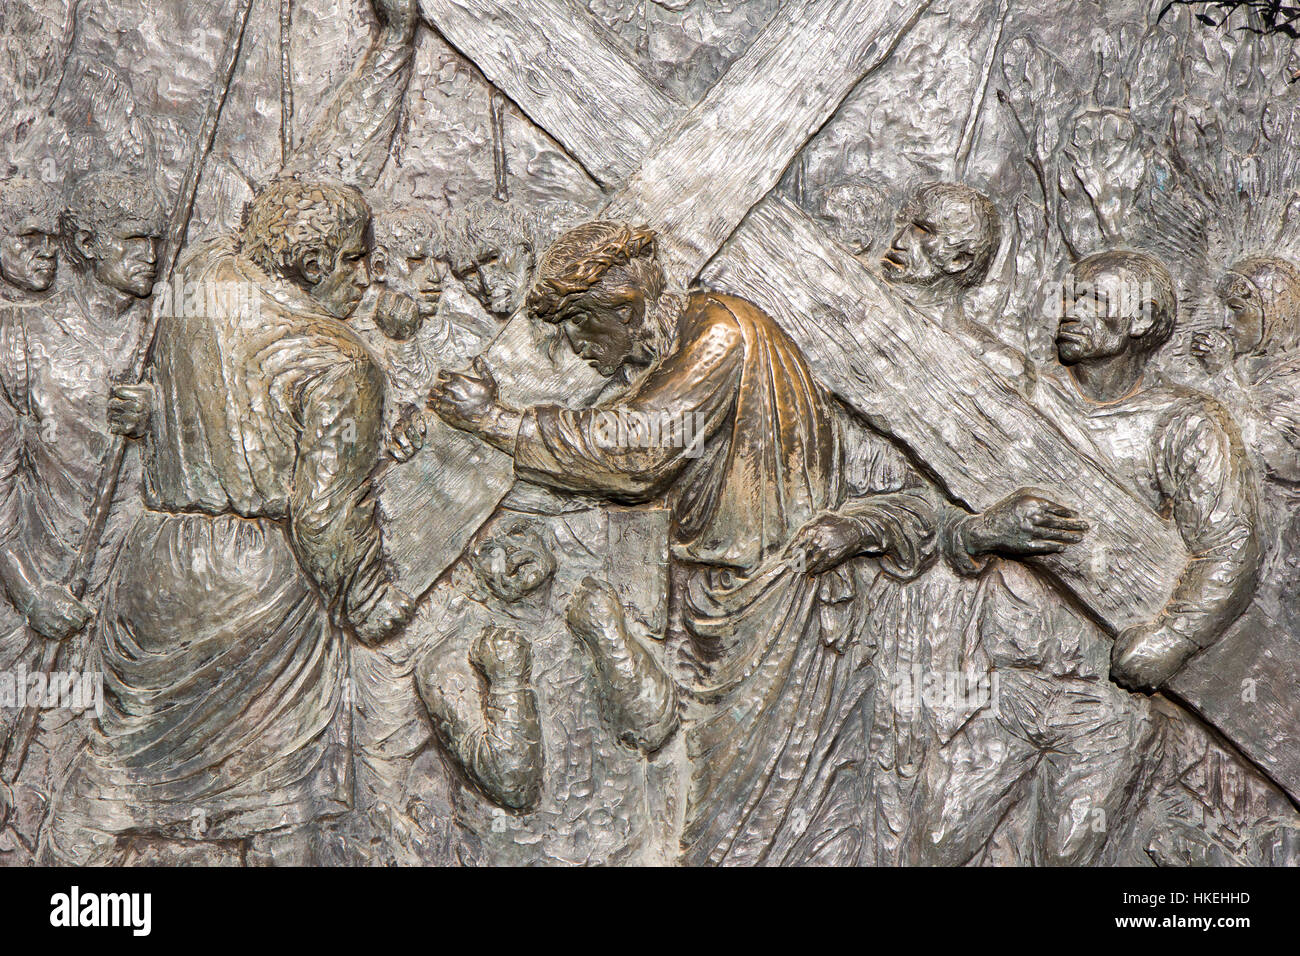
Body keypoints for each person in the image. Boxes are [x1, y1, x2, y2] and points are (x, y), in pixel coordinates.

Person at [430, 219, 947, 865]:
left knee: (746, 817)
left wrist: (493, 421)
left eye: (579, 327)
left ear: (623, 308)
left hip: (774, 596)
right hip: (719, 597)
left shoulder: (721, 331)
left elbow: (640, 447)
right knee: (722, 805)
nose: (575, 348)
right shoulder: (679, 348)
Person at [43, 178, 414, 865]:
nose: (369, 276)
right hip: (260, 584)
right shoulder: (341, 362)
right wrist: (368, 598)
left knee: (121, 764)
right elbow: (327, 517)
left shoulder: (200, 280)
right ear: (311, 267)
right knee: (276, 788)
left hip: (158, 558)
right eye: (355, 259)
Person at [917, 250, 1261, 865]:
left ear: (1142, 322)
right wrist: (979, 531)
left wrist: (1173, 638)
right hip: (998, 679)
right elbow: (926, 509)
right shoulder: (1019, 398)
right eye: (1070, 296)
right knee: (937, 842)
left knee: (1069, 853)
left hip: (1102, 698)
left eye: (1095, 300)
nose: (1069, 312)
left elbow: (1230, 547)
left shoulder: (1184, 424)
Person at [0, 171, 163, 855]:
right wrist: (26, 590)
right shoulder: (21, 343)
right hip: (41, 588)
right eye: (132, 240)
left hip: (135, 594)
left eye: (156, 242)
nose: (149, 256)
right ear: (88, 245)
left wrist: (163, 417)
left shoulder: (167, 343)